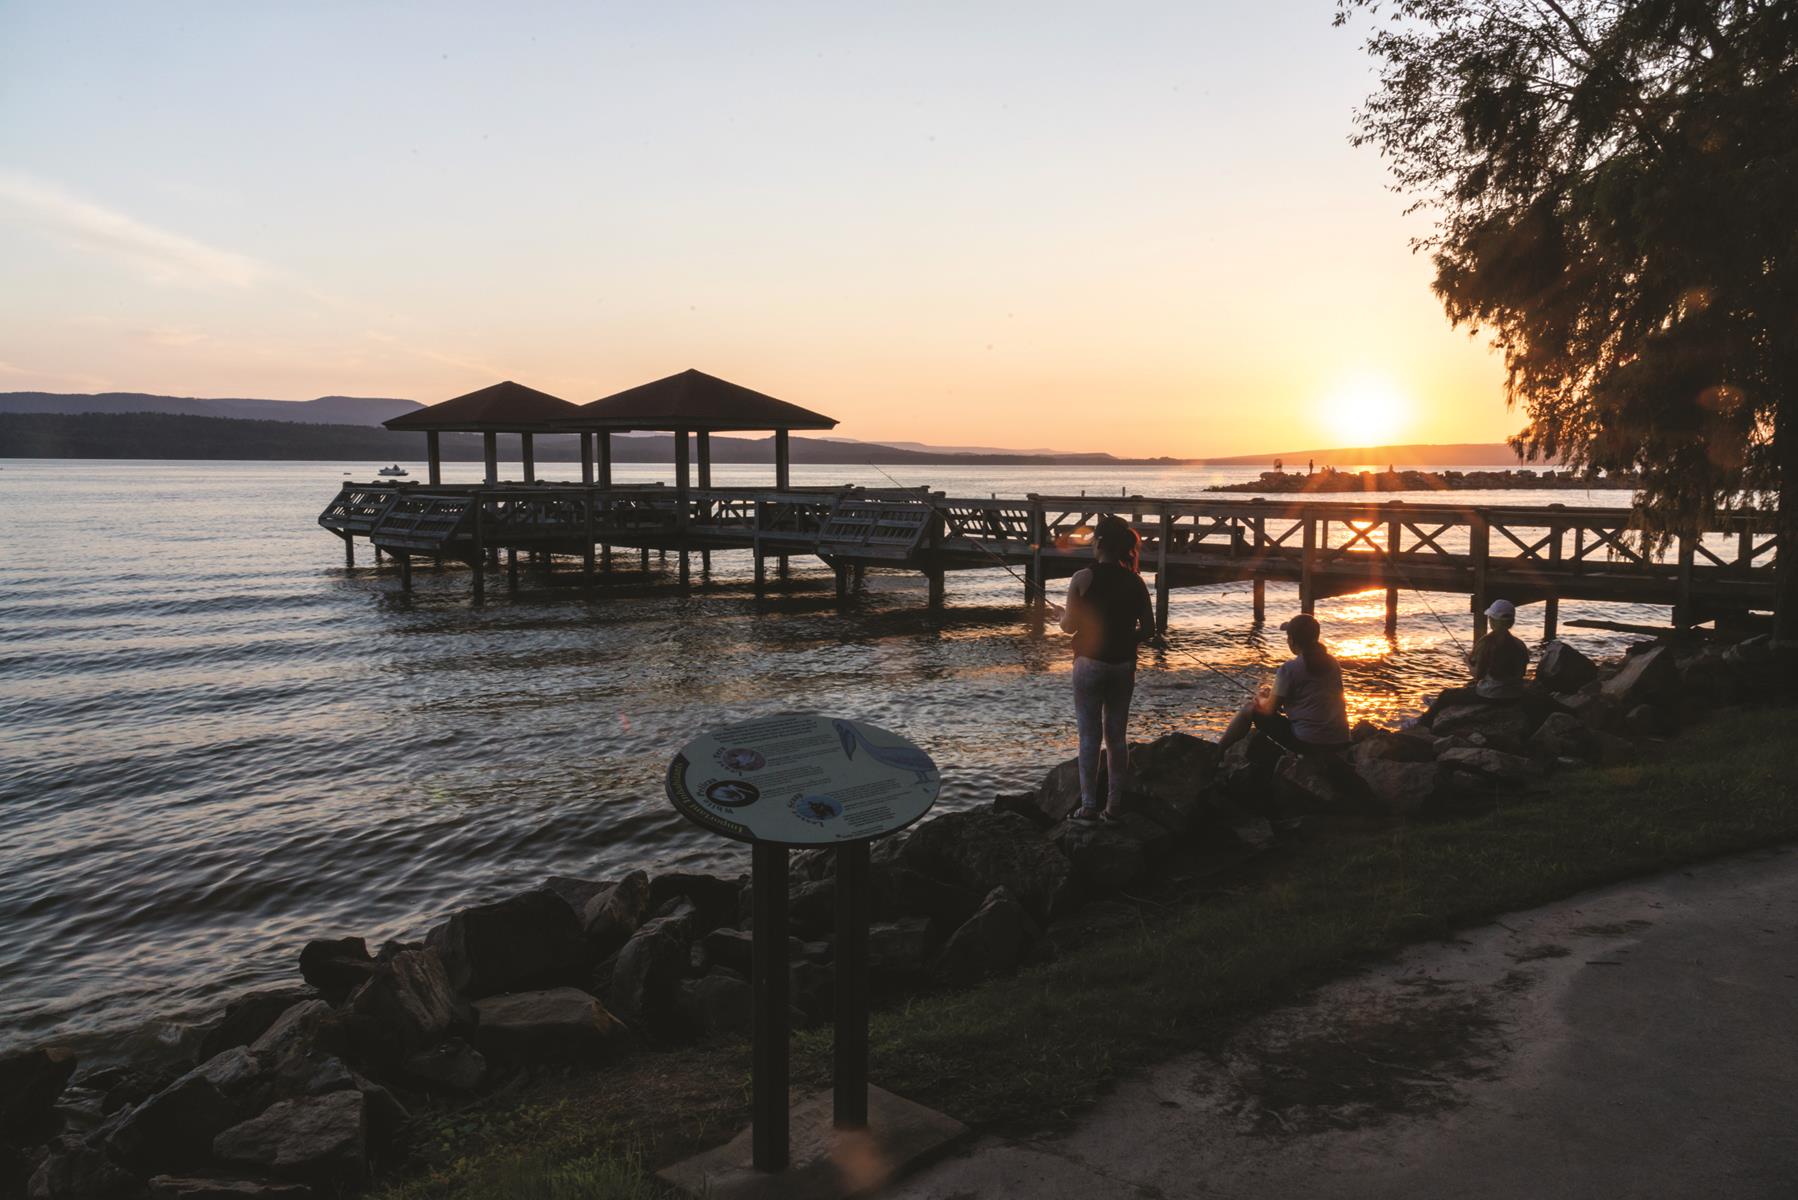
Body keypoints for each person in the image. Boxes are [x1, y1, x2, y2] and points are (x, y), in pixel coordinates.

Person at [1059, 514, 1155, 824]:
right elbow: (1150, 629)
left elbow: (1069, 626)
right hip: (1122, 664)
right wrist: (1126, 638)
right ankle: (1114, 808)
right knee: (1116, 737)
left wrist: (1062, 619)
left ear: (1099, 542)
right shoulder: (1135, 580)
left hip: (1088, 664)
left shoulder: (1082, 578)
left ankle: (1088, 807)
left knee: (1089, 737)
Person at [1218, 613, 1352, 754]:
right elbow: (1314, 697)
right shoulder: (1332, 663)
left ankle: (1218, 751)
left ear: (1292, 641)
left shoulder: (1289, 669)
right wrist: (1278, 697)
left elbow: (1268, 710)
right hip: (1340, 740)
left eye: (1288, 637)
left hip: (1310, 744)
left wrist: (1261, 698)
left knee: (1249, 709)